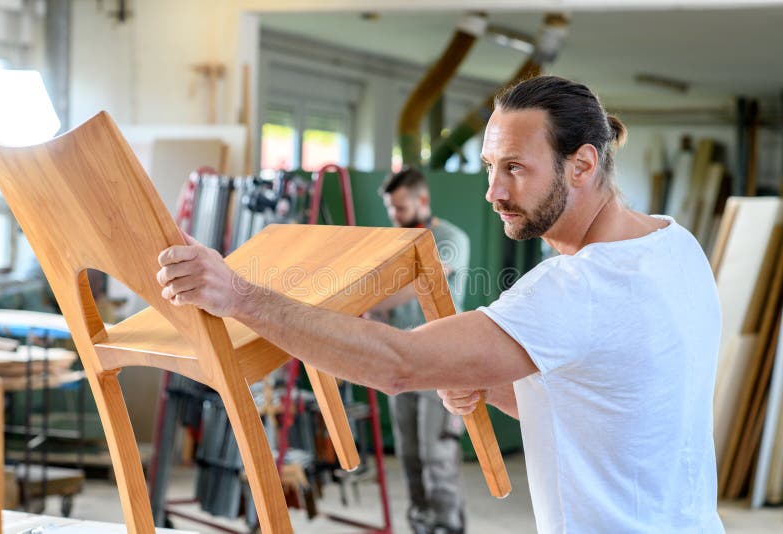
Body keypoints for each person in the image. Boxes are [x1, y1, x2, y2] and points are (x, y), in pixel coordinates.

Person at [156, 75, 724, 533]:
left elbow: (398, 365)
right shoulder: (674, 244)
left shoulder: (578, 286)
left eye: (515, 168)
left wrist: (237, 294)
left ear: (582, 164)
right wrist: (496, 385)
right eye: (490, 167)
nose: (494, 192)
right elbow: (613, 410)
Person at [372, 167, 470, 534]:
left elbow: (422, 282)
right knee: (410, 454)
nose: (394, 216)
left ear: (422, 200)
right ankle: (420, 523)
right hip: (399, 364)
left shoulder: (449, 238)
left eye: (400, 208)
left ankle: (447, 526)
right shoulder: (394, 242)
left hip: (441, 363)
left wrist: (373, 301)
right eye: (390, 209)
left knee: (437, 454)